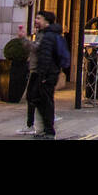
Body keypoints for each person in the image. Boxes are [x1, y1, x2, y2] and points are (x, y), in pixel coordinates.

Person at [28, 10, 64, 138]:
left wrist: (44, 76)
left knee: (44, 101)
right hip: (46, 73)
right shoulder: (45, 34)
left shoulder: (48, 36)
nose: (36, 21)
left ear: (46, 21)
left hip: (47, 74)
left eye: (39, 18)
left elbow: (45, 57)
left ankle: (48, 129)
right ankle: (43, 127)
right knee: (37, 98)